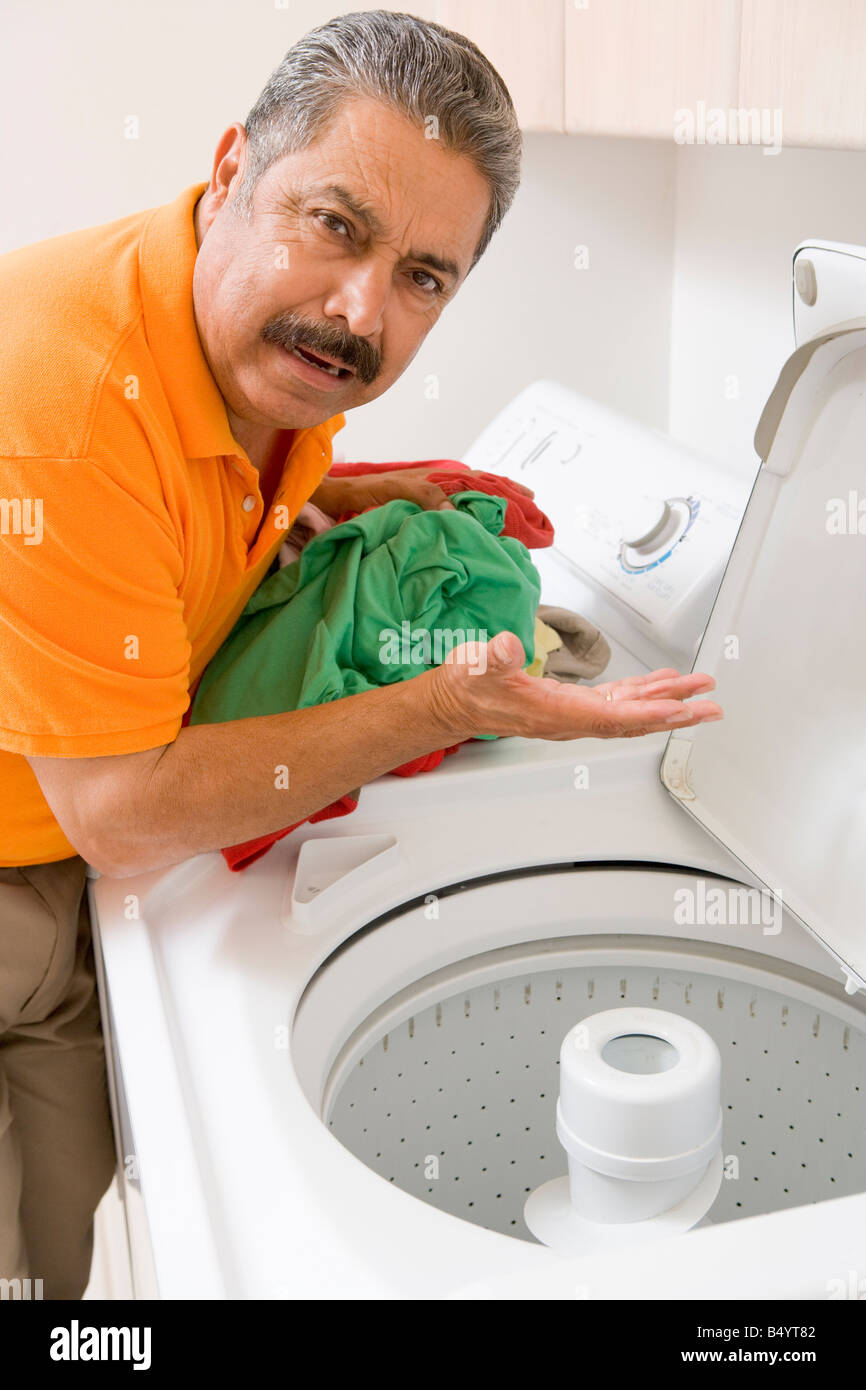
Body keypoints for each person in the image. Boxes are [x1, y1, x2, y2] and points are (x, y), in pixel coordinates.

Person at [0, 10, 721, 1299]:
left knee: (63, 1269)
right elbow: (119, 809)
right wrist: (444, 698)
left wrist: (358, 490)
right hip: (43, 862)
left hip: (62, 875)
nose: (358, 309)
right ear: (229, 174)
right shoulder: (59, 397)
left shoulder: (260, 366)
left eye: (424, 276)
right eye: (335, 225)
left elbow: (179, 512)